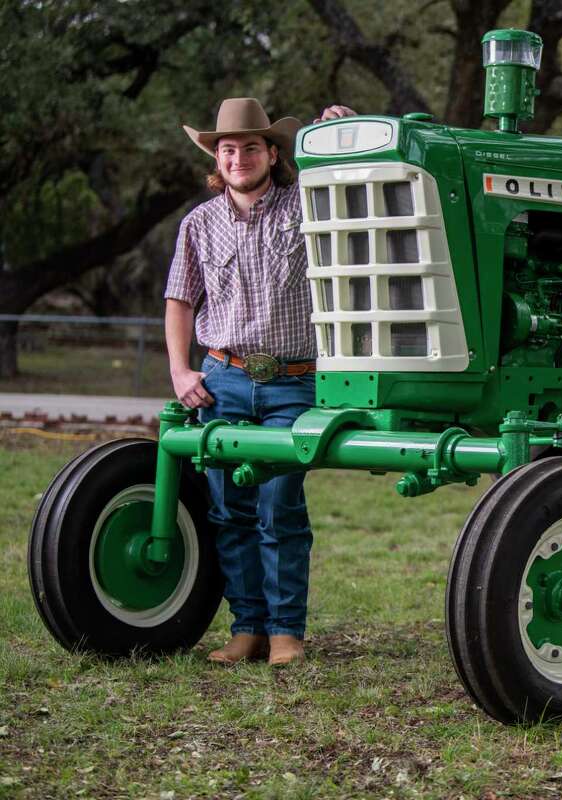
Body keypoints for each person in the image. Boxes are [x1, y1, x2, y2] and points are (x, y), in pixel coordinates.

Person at [164, 97, 356, 666]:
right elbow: (180, 301)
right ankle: (246, 629)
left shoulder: (308, 205)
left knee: (279, 506)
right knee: (229, 510)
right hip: (223, 378)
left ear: (273, 153)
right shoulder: (198, 224)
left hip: (292, 383)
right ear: (216, 159)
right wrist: (180, 370)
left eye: (251, 147)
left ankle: (286, 635)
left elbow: (353, 200)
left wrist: (339, 139)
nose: (238, 157)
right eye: (228, 149)